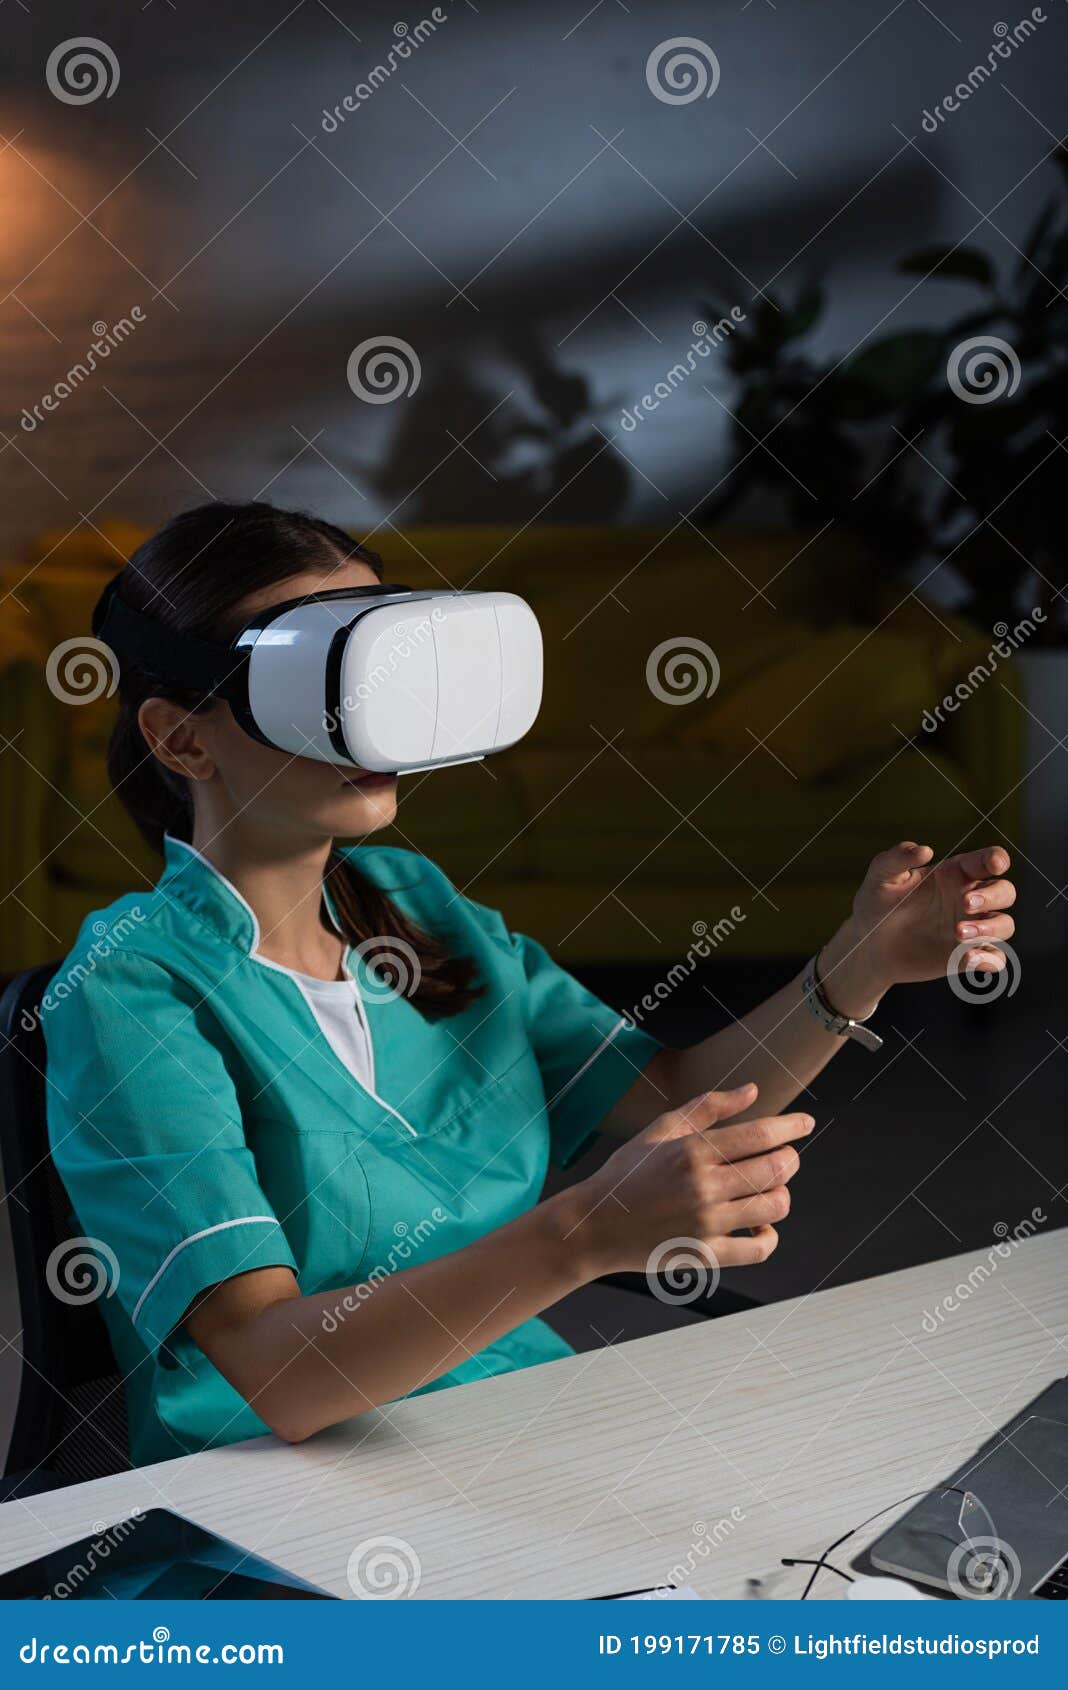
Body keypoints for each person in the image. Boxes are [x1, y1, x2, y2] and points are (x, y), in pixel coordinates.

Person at [44, 501, 1017, 1465]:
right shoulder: (130, 990)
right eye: (318, 681)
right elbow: (279, 1375)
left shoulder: (414, 903)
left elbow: (676, 1096)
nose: (371, 727)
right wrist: (580, 1235)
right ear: (183, 738)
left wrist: (863, 958)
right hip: (272, 1495)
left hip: (514, 1425)